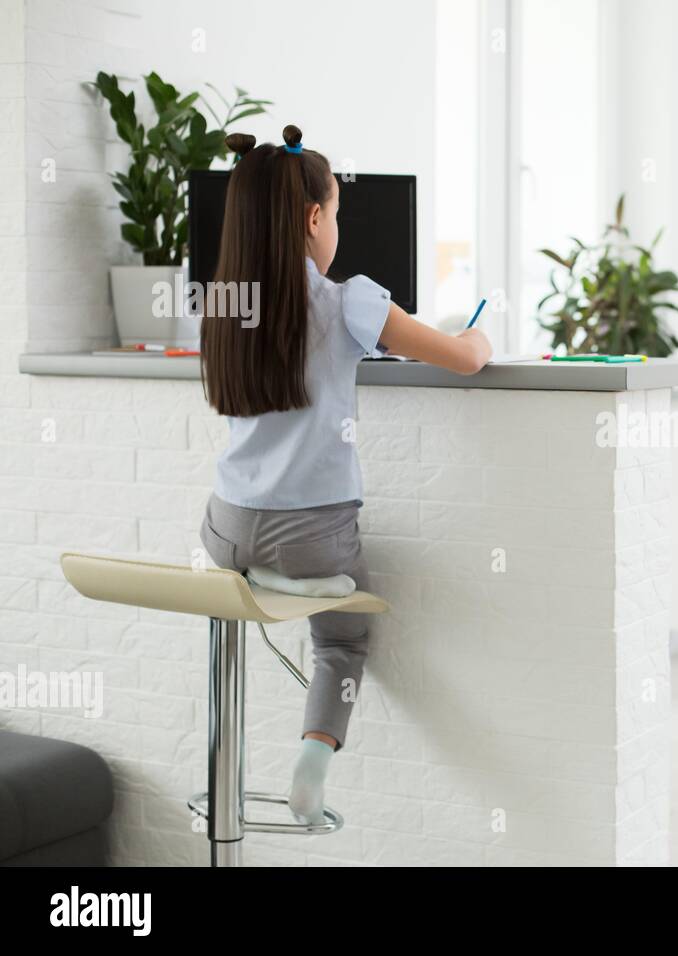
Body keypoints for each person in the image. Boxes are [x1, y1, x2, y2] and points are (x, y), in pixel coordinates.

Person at [197, 124, 492, 824]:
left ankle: (266, 578)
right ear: (312, 217)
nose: (337, 228)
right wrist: (479, 332)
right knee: (339, 638)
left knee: (261, 556)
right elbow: (463, 358)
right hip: (312, 541)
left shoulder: (224, 306)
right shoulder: (350, 300)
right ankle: (311, 763)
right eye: (335, 213)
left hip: (224, 530)